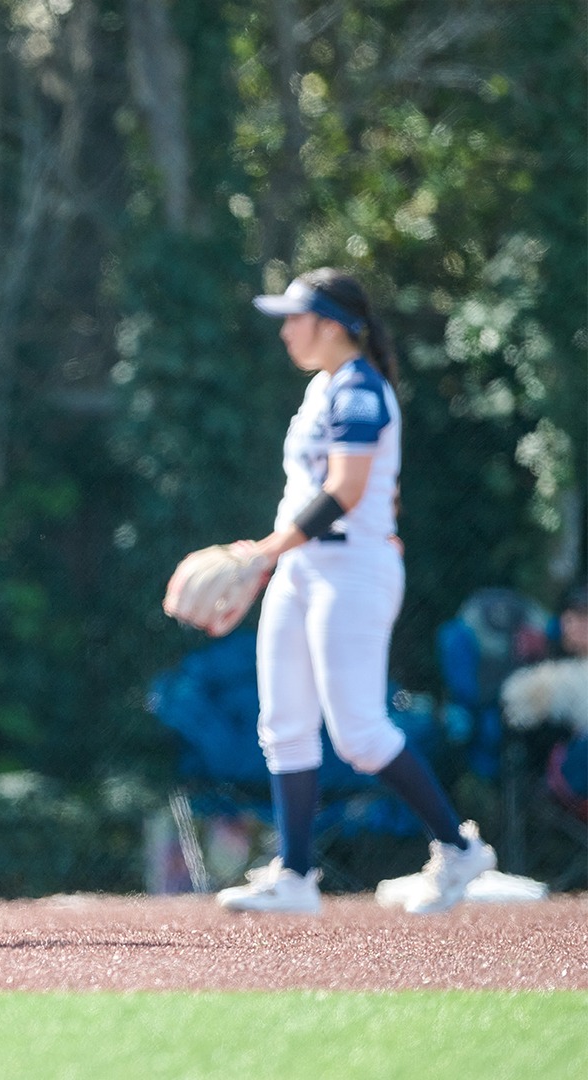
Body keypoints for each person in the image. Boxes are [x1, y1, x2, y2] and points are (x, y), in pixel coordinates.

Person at [216, 269, 496, 915]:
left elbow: (344, 490)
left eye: (296, 316)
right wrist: (279, 558)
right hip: (305, 568)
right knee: (282, 723)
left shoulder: (362, 391)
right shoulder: (323, 388)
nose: (287, 329)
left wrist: (263, 551)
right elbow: (370, 486)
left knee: (360, 734)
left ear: (334, 325)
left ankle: (458, 848)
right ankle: (295, 876)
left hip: (349, 571)